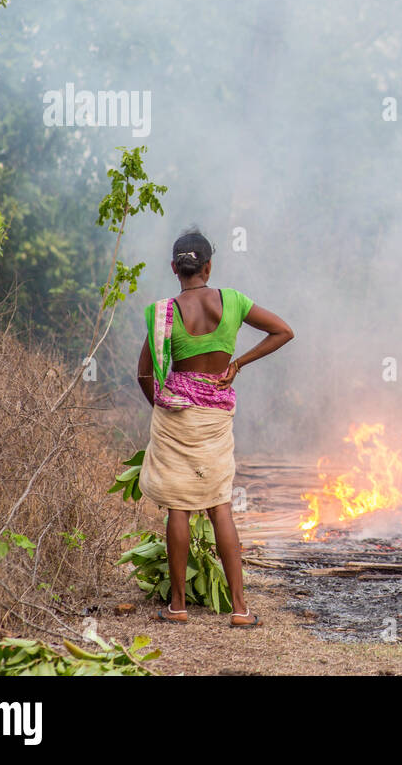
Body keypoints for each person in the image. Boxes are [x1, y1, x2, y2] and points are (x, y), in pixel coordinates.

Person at [135, 229, 293, 627]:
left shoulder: (165, 313)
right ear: (209, 266)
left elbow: (143, 374)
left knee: (179, 506)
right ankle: (240, 610)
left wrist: (164, 406)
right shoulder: (234, 301)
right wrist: (237, 363)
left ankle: (178, 606)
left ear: (174, 268)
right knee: (220, 504)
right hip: (217, 417)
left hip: (177, 416)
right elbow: (283, 331)